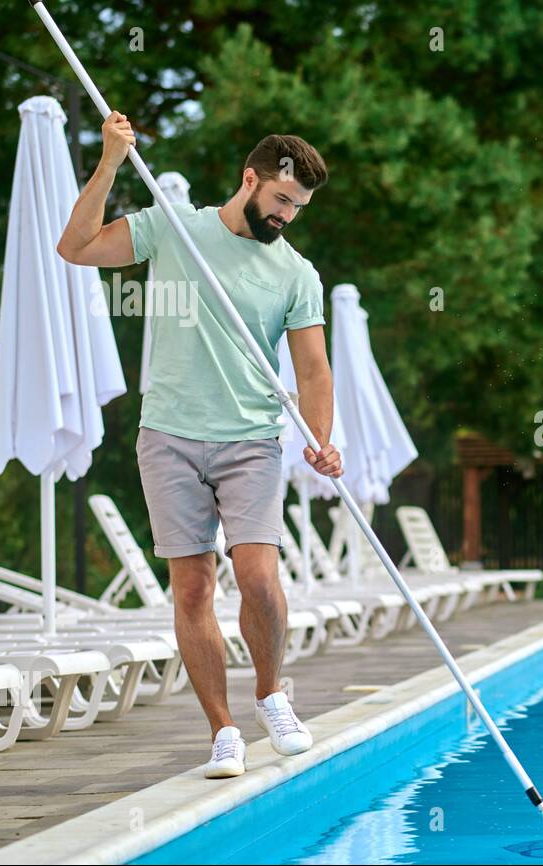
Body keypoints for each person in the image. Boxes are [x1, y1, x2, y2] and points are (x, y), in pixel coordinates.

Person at [57, 111, 343, 779]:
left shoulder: (297, 274)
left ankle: (271, 695)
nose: (287, 217)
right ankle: (222, 732)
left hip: (250, 438)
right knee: (191, 590)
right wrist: (109, 164)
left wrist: (321, 439)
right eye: (281, 200)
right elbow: (75, 248)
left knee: (259, 579)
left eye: (298, 207)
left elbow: (313, 371)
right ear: (250, 178)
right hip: (170, 437)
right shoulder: (173, 227)